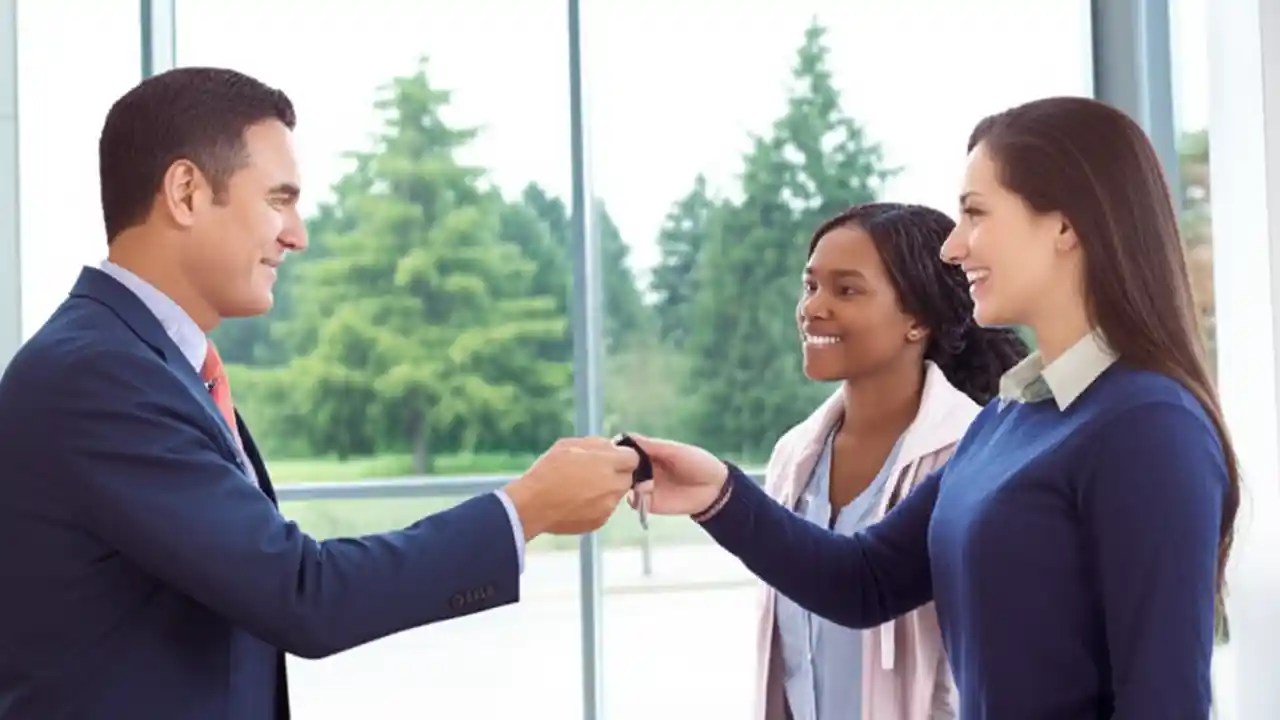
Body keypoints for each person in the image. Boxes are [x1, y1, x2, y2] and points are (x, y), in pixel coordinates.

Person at [0, 67, 637, 719]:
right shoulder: (97, 377)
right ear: (186, 192)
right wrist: (524, 510)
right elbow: (303, 594)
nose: (297, 234)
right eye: (279, 199)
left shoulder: (146, 364)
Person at [632, 96, 1237, 719]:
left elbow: (1164, 702)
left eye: (976, 213)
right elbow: (865, 581)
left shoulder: (1148, 426)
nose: (953, 246)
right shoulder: (1010, 418)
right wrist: (718, 493)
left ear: (1065, 226)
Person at [755, 202, 1026, 720]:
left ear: (917, 318)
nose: (813, 308)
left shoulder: (974, 452)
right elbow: (789, 659)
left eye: (846, 289)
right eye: (811, 286)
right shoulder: (792, 457)